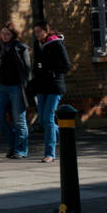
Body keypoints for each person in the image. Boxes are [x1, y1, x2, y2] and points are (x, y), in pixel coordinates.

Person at [0, 21, 30, 159]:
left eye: (7, 34)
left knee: (19, 120)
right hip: (1, 87)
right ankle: (13, 144)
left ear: (13, 35)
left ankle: (20, 150)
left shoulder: (21, 48)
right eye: (2, 33)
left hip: (17, 87)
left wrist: (28, 90)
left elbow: (27, 71)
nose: (4, 36)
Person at [31, 19, 70, 163]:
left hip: (54, 86)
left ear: (46, 31)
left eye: (39, 31)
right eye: (35, 32)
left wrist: (52, 73)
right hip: (42, 87)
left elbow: (66, 65)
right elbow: (37, 65)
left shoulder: (56, 44)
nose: (37, 34)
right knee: (42, 118)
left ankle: (50, 153)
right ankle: (67, 135)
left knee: (47, 118)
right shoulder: (38, 45)